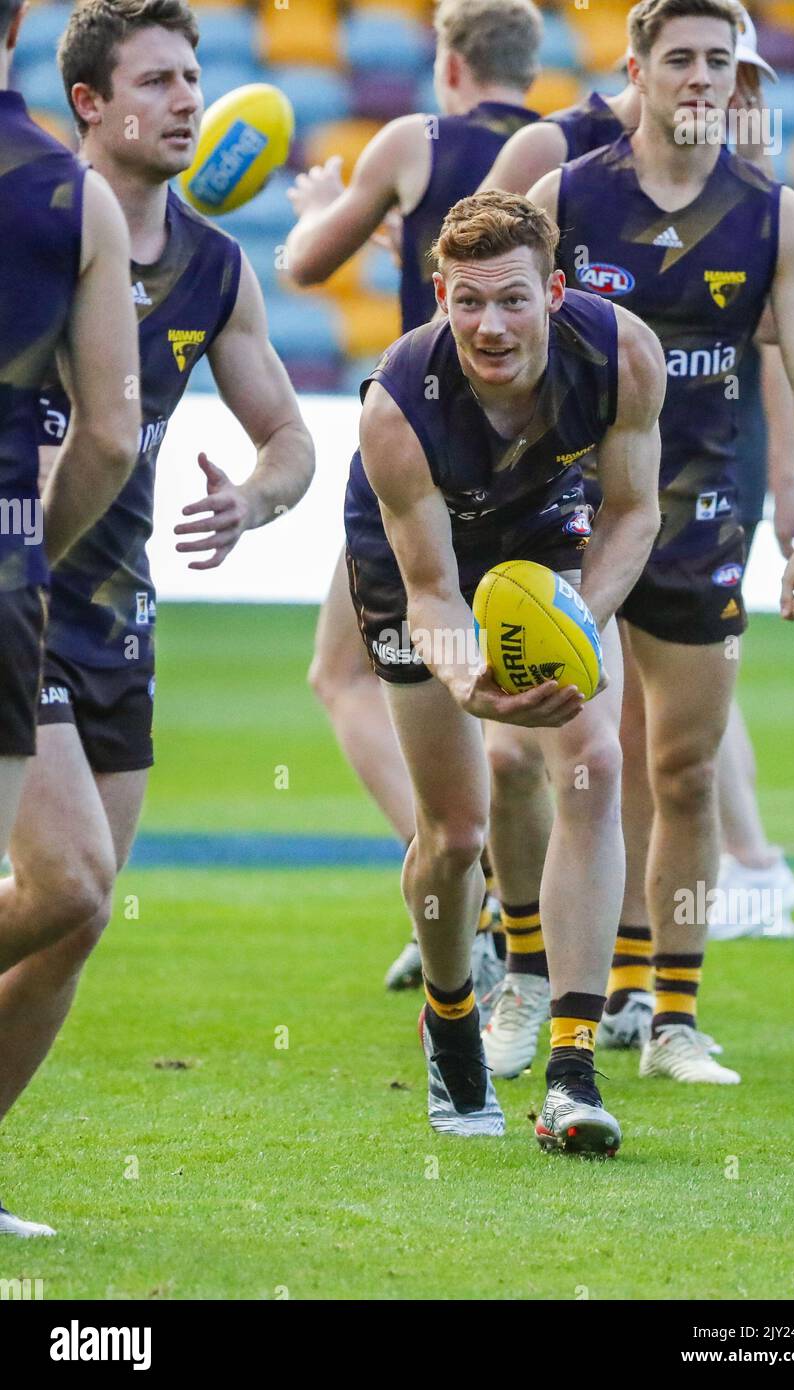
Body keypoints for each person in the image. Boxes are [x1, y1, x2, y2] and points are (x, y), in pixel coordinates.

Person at [0, 0, 314, 1237]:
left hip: (118, 624)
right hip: (27, 598)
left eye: (195, 77)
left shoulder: (214, 263)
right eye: (160, 80)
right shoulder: (33, 220)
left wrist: (250, 500)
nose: (191, 99)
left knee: (74, 929)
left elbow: (288, 436)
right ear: (88, 101)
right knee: (71, 885)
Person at [477, 3, 794, 1089]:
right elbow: (493, 328)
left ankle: (668, 1017)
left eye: (720, 59)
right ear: (636, 72)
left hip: (703, 516)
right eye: (680, 59)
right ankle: (526, 970)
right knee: (548, 760)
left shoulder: (770, 214)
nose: (701, 77)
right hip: (566, 514)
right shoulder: (566, 195)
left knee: (684, 769)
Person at [345, 190, 665, 1152]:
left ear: (555, 292)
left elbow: (633, 514)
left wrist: (577, 621)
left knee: (595, 764)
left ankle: (571, 1067)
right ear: (439, 294)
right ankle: (452, 1024)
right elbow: (434, 593)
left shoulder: (621, 356)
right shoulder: (396, 408)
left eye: (514, 301)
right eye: (469, 301)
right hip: (415, 558)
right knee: (453, 828)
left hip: (541, 536)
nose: (491, 325)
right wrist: (468, 683)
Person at [285, 0, 544, 994]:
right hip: (530, 458)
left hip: (414, 451)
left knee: (344, 674)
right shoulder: (552, 152)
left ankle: (456, 876)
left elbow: (306, 265)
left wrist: (319, 210)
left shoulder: (413, 139)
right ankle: (518, 915)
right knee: (521, 710)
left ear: (446, 62)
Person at [0, 0, 141, 1237]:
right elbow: (110, 428)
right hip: (4, 571)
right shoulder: (68, 196)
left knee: (76, 888)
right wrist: (22, 556)